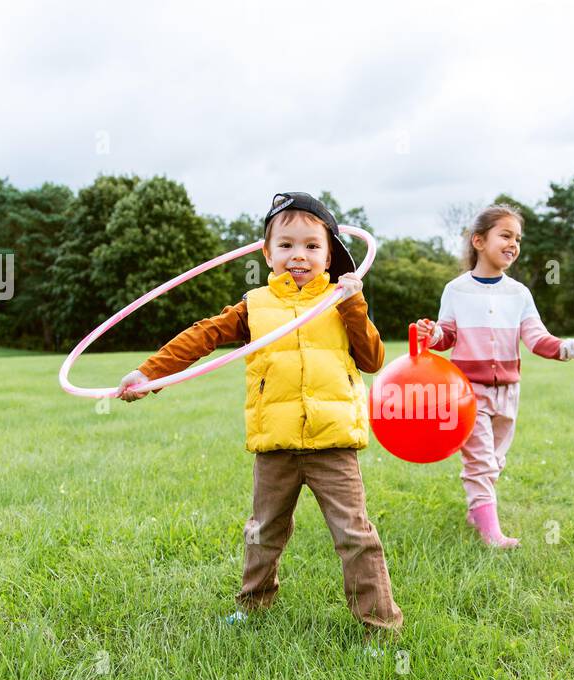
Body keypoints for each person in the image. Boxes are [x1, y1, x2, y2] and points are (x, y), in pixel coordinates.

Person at [118, 192, 403, 635]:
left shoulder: (340, 301)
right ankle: (253, 605)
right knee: (263, 532)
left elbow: (372, 359)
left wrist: (353, 304)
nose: (299, 255)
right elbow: (203, 336)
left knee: (355, 536)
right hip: (275, 445)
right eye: (286, 245)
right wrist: (149, 374)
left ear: (330, 254)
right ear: (266, 253)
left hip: (334, 444)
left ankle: (380, 624)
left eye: (312, 245)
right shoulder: (254, 306)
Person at [415, 204, 574, 548]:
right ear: (479, 241)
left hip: (509, 393)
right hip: (469, 392)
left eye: (517, 238)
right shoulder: (456, 289)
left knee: (496, 460)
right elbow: (448, 334)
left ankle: (478, 508)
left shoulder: (519, 294)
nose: (513, 243)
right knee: (481, 462)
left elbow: (536, 338)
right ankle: (491, 534)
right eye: (505, 235)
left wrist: (571, 348)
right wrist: (433, 334)